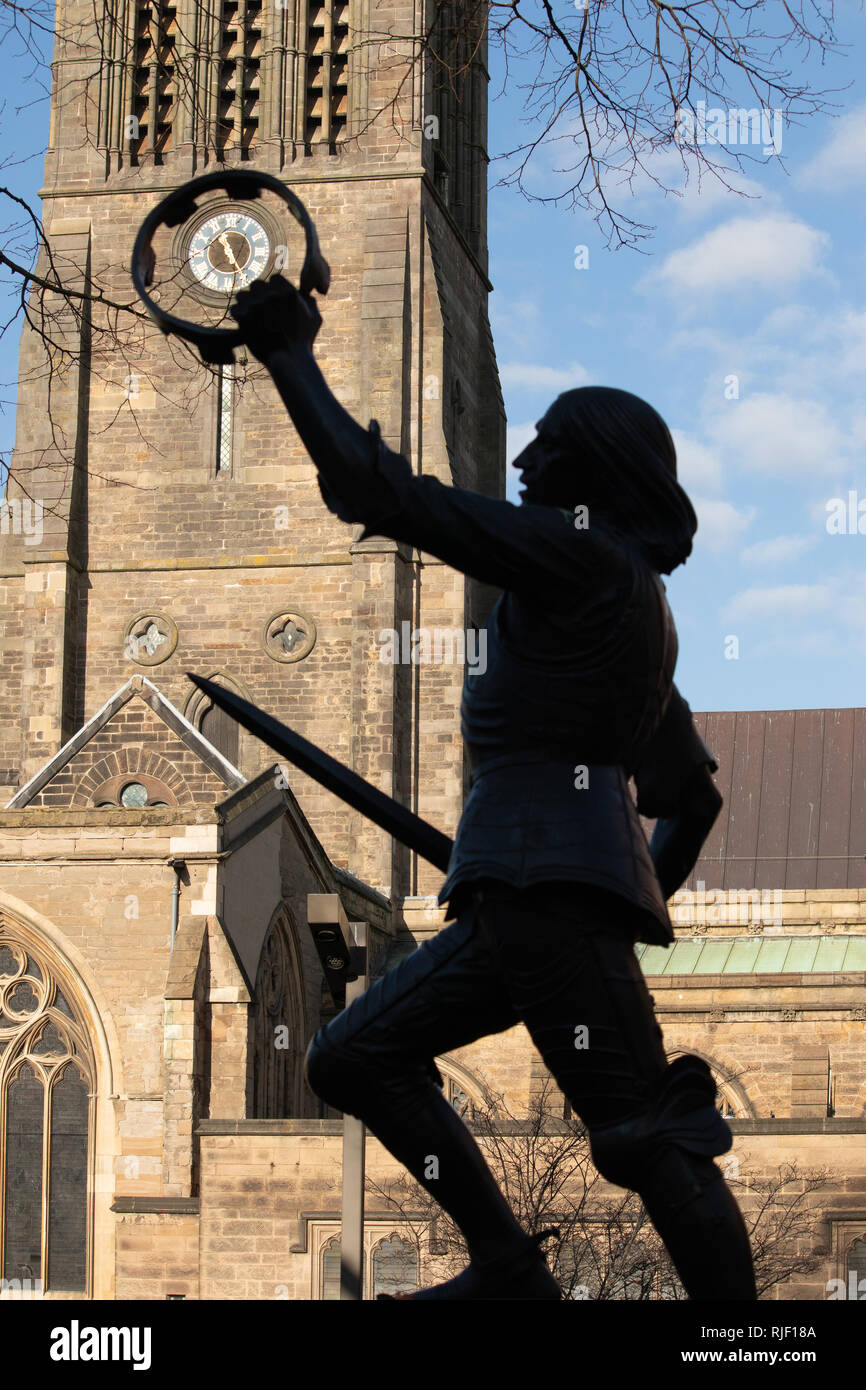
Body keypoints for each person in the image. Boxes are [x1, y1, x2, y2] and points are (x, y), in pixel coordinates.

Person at [230, 276, 757, 1301]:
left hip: (538, 897)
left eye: (546, 444)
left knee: (643, 1133)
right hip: (524, 897)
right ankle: (508, 1260)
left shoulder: (577, 562)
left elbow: (380, 495)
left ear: (591, 467)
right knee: (352, 1058)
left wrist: (287, 354)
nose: (521, 461)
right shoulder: (622, 609)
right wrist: (614, 880)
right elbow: (687, 799)